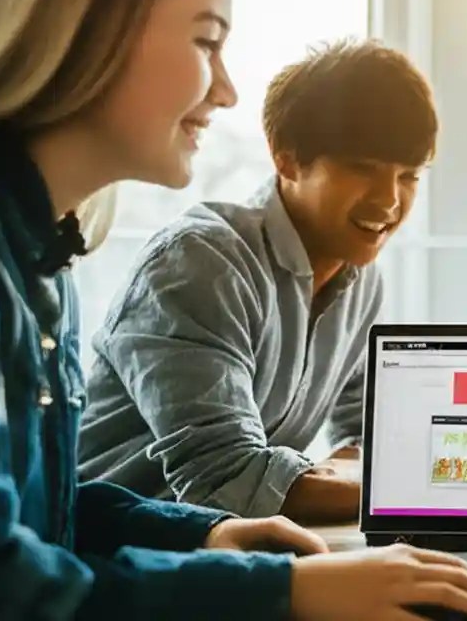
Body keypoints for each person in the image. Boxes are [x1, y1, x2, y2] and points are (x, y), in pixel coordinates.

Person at [0, 0, 467, 619]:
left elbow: (44, 513)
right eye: (206, 41)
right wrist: (282, 591)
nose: (225, 90)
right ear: (88, 25)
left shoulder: (41, 247)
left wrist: (208, 533)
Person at [78, 39, 433, 524]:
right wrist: (424, 491)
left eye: (409, 176)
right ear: (286, 159)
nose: (390, 202)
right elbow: (227, 480)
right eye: (362, 170)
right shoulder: (200, 264)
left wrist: (394, 480)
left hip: (229, 551)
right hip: (114, 555)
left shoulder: (362, 281)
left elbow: (365, 440)